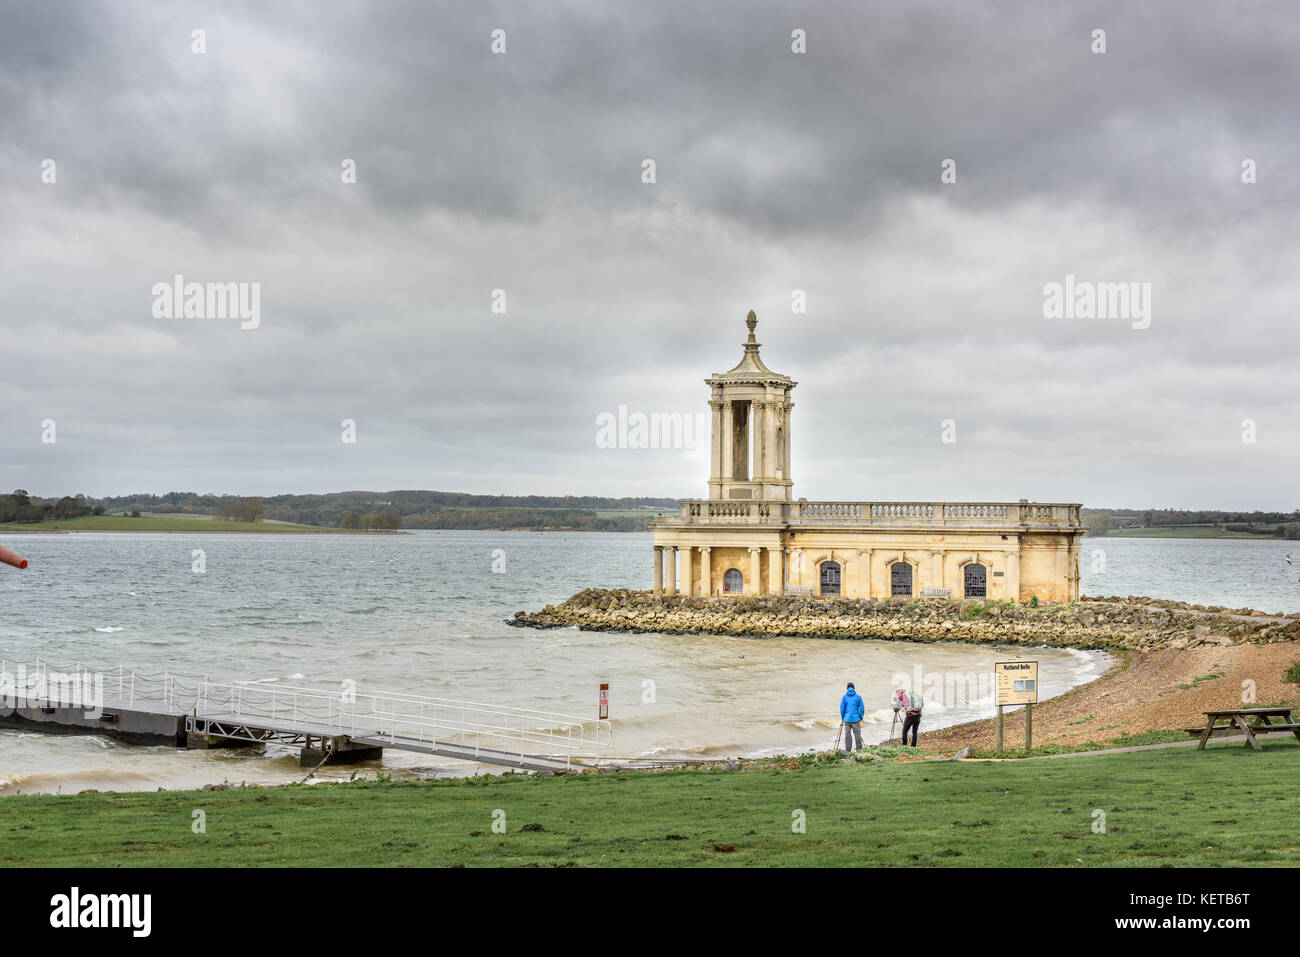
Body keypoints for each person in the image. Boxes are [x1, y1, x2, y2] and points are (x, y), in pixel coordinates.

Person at [839, 681, 865, 751]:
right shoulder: (858, 697)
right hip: (856, 719)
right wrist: (860, 716)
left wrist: (843, 717)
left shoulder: (844, 697)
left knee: (848, 736)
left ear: (847, 688)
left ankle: (848, 751)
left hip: (847, 720)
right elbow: (862, 707)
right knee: (857, 735)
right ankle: (859, 750)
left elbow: (842, 709)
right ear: (854, 688)